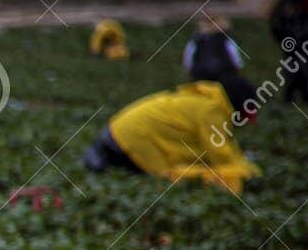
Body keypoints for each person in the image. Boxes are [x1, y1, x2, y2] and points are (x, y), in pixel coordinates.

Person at [81, 74, 260, 193]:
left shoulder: (203, 100)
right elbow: (219, 155)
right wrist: (246, 170)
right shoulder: (212, 110)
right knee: (167, 180)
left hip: (114, 134)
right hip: (130, 142)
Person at [183, 14, 241, 81]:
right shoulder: (226, 40)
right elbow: (236, 63)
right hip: (225, 79)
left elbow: (187, 65)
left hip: (202, 81)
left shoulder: (195, 42)